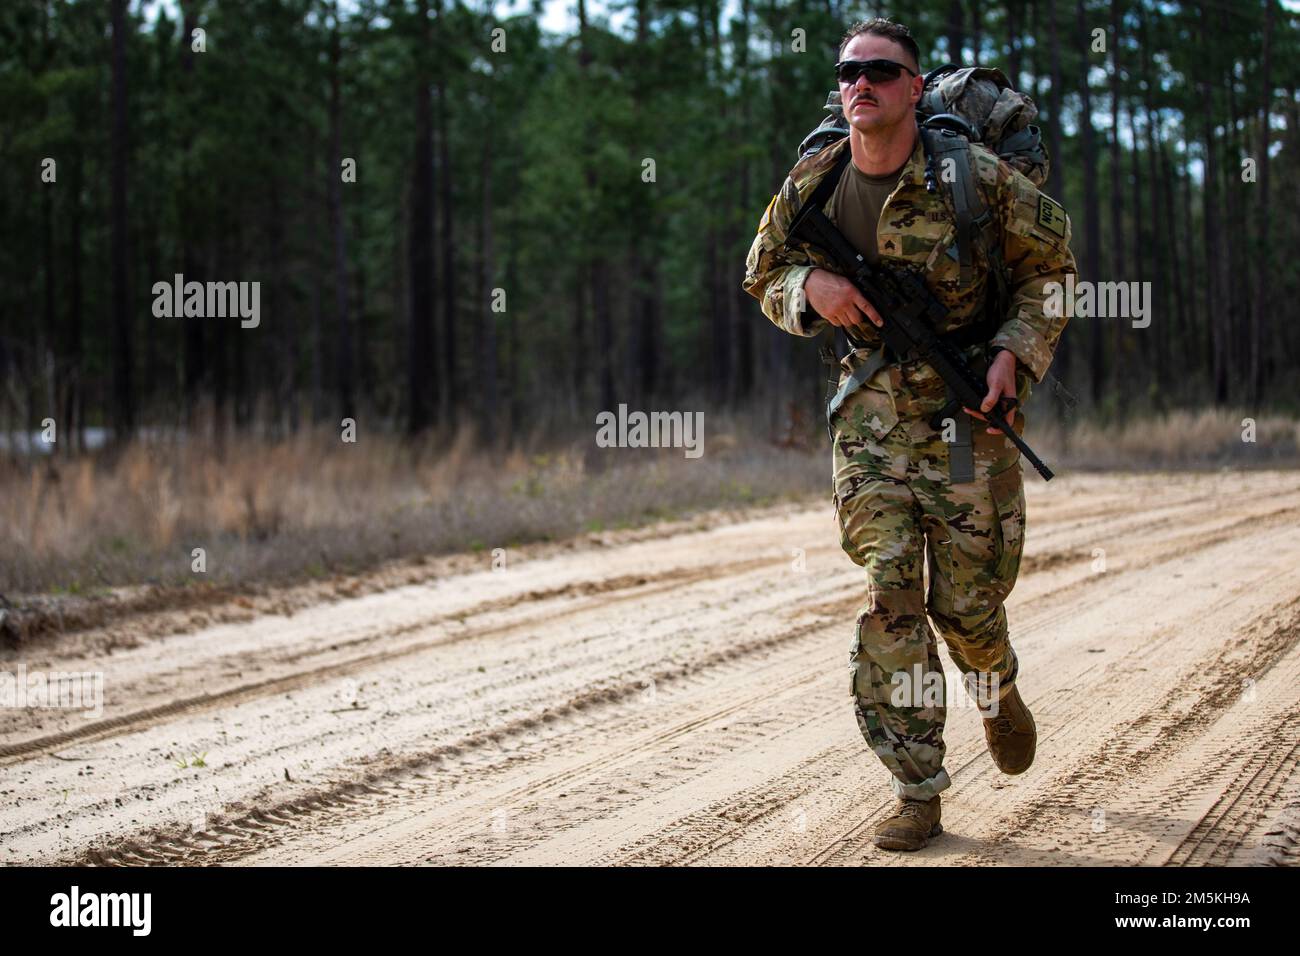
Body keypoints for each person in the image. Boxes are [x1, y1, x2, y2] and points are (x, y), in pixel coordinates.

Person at [741, 17, 1076, 851]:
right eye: (850, 70)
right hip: (870, 419)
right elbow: (760, 270)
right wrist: (809, 286)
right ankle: (917, 788)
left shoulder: (977, 179)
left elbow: (1052, 274)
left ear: (914, 89)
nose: (863, 83)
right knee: (890, 596)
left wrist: (1012, 356)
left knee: (967, 609)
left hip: (968, 420)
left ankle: (994, 688)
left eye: (882, 72)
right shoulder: (816, 177)